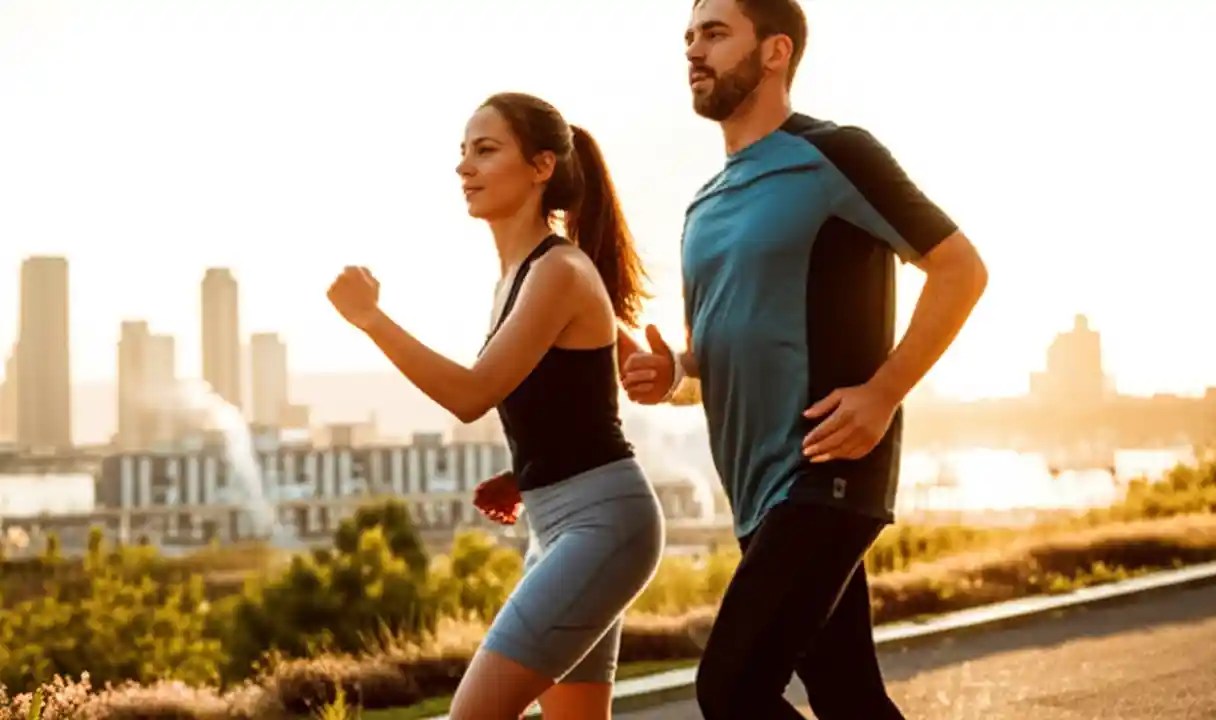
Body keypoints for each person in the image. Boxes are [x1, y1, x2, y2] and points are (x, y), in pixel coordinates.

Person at [618, 0, 989, 717]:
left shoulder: (836, 153)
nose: (695, 51)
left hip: (827, 472)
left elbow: (960, 268)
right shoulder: (702, 205)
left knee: (731, 690)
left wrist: (884, 392)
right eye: (690, 37)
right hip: (758, 494)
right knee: (849, 696)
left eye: (717, 34)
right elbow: (724, 351)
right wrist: (675, 376)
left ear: (776, 51)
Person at [327, 91, 666, 720]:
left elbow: (472, 394)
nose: (464, 168)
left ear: (541, 167)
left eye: (486, 151)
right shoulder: (517, 276)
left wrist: (370, 319)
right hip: (558, 524)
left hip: (602, 526)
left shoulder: (558, 271)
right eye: (462, 153)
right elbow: (575, 399)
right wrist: (527, 472)